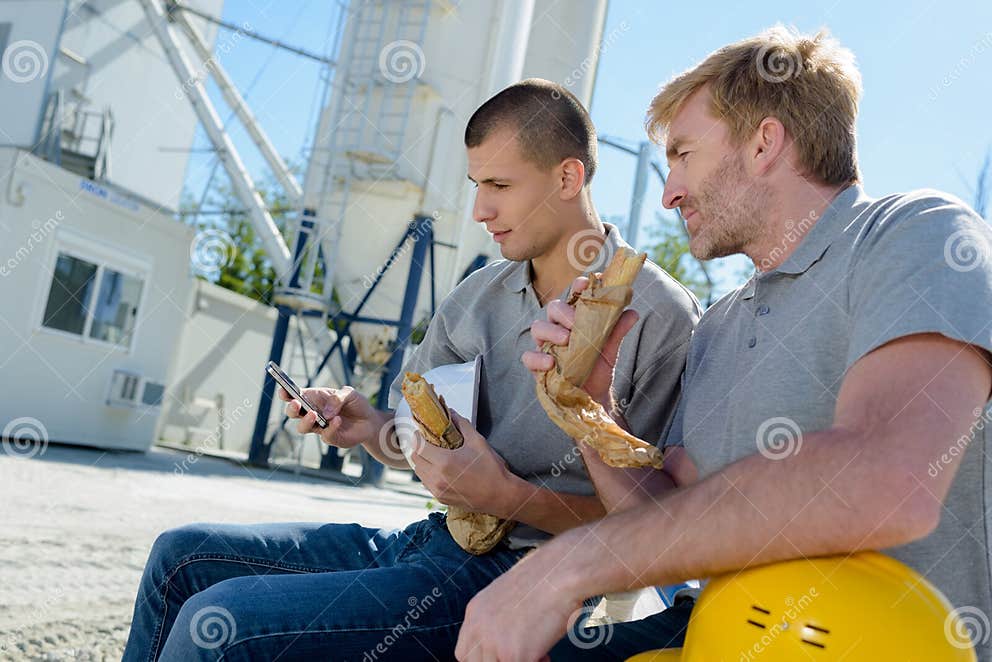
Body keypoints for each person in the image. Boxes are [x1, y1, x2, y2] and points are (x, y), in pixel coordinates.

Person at [455, 27, 992, 661]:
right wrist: (591, 413)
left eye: (683, 154)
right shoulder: (718, 324)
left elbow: (886, 475)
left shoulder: (915, 234)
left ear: (765, 141)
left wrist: (570, 564)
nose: (668, 191)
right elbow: (670, 517)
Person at [121, 79, 700, 660]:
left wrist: (509, 498)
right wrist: (366, 425)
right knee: (181, 558)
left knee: (219, 623)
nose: (480, 211)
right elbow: (417, 444)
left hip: (523, 579)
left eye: (500, 185)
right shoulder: (477, 296)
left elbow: (657, 528)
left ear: (568, 178)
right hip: (432, 542)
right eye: (476, 185)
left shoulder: (658, 315)